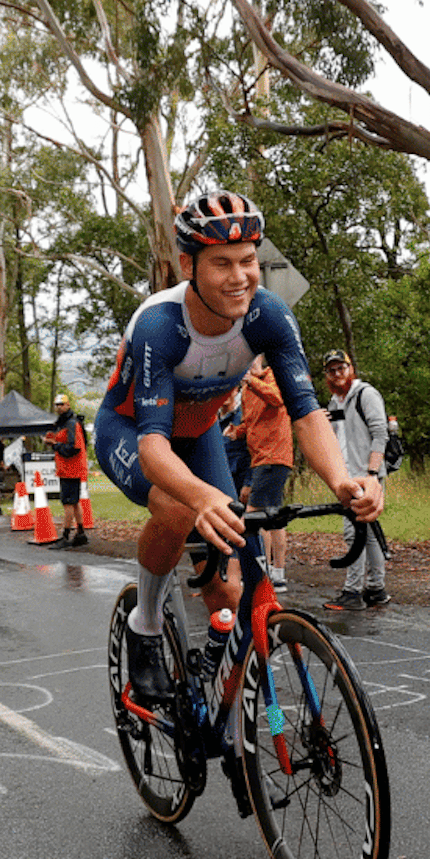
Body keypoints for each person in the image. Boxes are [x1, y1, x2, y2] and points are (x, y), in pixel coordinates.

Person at [96, 189, 382, 704]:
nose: (239, 277)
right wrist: (201, 498)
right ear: (189, 265)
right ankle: (145, 626)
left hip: (200, 433)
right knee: (181, 510)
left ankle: (232, 702)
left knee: (232, 587)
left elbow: (307, 413)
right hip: (132, 434)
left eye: (248, 261)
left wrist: (343, 480)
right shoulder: (160, 325)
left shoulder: (267, 315)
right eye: (222, 263)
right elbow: (154, 446)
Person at [319, 350, 391, 611]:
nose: (337, 375)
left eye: (341, 369)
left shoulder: (365, 394)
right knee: (368, 532)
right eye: (332, 370)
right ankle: (376, 588)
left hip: (366, 475)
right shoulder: (334, 402)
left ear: (351, 369)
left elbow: (380, 434)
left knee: (353, 532)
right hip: (348, 476)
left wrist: (372, 474)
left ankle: (352, 592)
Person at [239, 361, 297, 587]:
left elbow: (277, 398)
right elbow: (248, 422)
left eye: (252, 357)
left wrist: (251, 380)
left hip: (274, 456)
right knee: (273, 519)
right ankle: (277, 575)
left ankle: (260, 574)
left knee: (254, 517)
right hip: (259, 459)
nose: (248, 360)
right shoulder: (245, 390)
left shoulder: (272, 376)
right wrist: (235, 432)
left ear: (259, 359)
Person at [48, 391, 91, 547]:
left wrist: (55, 445)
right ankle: (80, 533)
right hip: (67, 468)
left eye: (62, 404)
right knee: (74, 502)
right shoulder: (63, 423)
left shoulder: (72, 423)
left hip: (71, 469)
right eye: (57, 405)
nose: (59, 407)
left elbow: (74, 447)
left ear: (68, 405)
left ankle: (65, 537)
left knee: (67, 502)